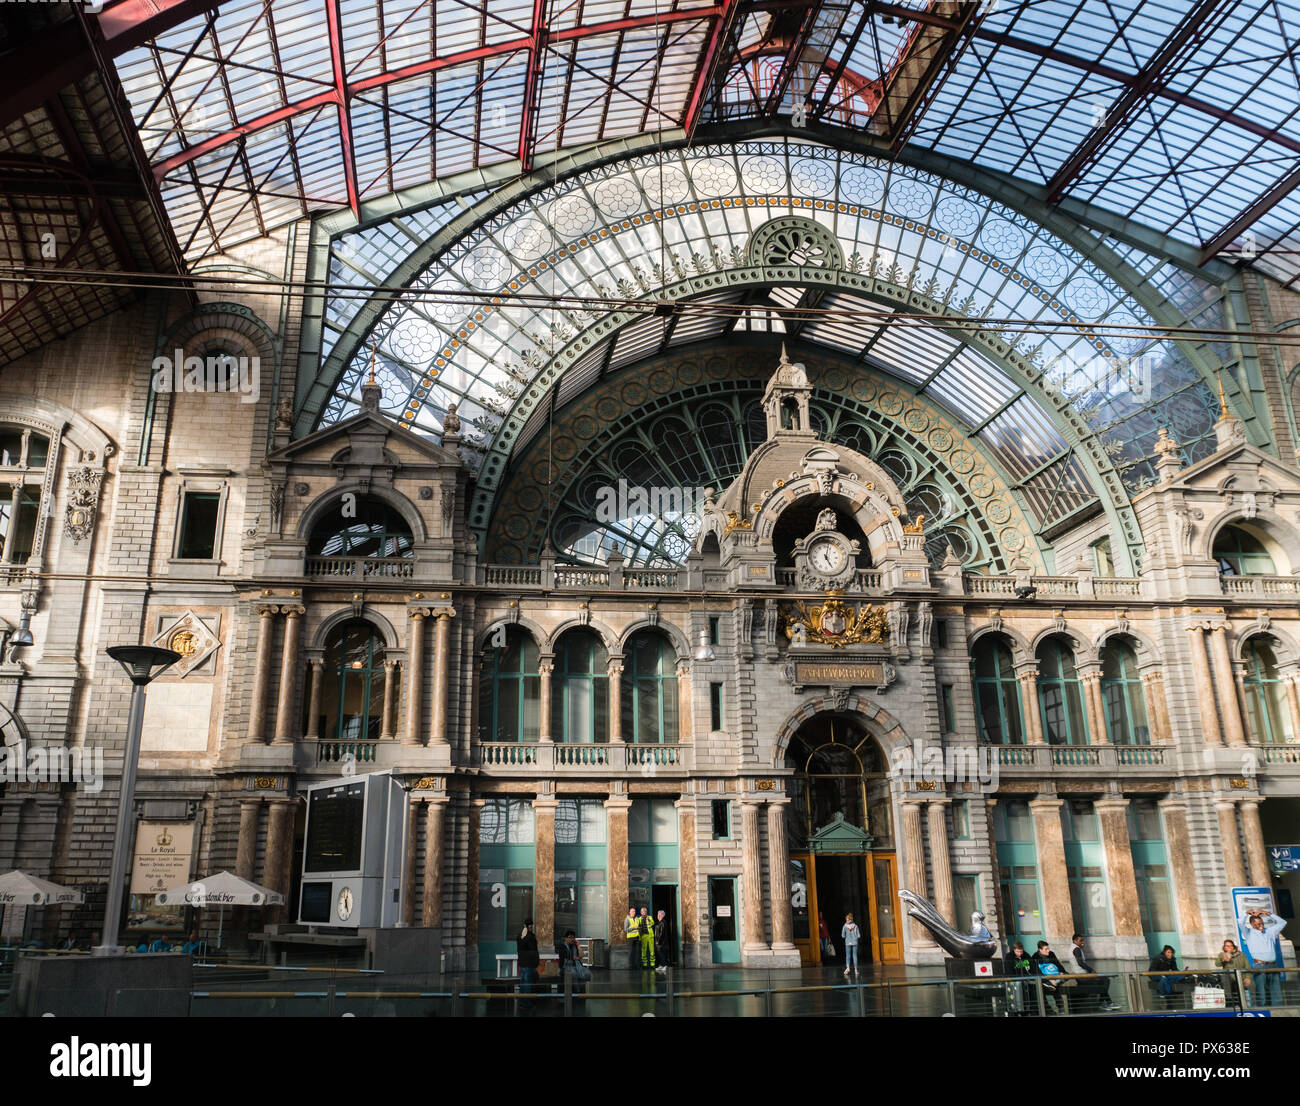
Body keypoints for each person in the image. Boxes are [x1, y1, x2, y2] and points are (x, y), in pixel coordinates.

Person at [1237, 907, 1286, 1007]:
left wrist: (1266, 913)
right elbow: (1240, 923)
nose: (1261, 925)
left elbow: (1282, 923)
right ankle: (1262, 1011)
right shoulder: (1249, 933)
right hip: (1259, 966)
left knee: (1276, 991)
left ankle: (1278, 1011)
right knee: (1261, 992)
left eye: (1262, 923)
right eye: (1258, 923)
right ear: (1252, 924)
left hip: (1273, 965)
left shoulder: (1270, 931)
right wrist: (1246, 913)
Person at [1070, 934, 1119, 1011]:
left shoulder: (1073, 948)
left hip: (1081, 975)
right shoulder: (1076, 949)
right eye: (1081, 941)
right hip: (1081, 976)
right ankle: (1104, 1002)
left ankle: (1104, 1002)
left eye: (1083, 940)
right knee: (1105, 980)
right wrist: (1091, 970)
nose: (1083, 942)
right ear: (1075, 941)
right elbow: (1080, 963)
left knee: (1103, 980)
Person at [1032, 940, 1068, 1013]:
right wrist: (1050, 980)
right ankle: (1054, 1009)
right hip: (1045, 978)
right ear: (1040, 950)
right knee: (1052, 988)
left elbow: (1058, 964)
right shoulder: (1035, 957)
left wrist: (1062, 972)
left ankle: (1053, 984)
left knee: (1066, 976)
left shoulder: (1051, 954)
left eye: (1048, 948)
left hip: (1055, 976)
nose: (1048, 951)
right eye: (1046, 949)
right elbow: (1037, 972)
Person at [1217, 938, 1253, 1006]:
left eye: (1230, 946)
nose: (1229, 947)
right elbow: (1217, 964)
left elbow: (1247, 966)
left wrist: (1248, 977)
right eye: (1227, 946)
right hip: (1229, 981)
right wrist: (1223, 960)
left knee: (1243, 999)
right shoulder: (1222, 955)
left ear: (1234, 946)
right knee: (1231, 999)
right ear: (1224, 947)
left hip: (1241, 980)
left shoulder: (1241, 954)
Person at [516, 917, 540, 1014]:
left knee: (523, 982)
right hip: (529, 964)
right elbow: (533, 951)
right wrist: (536, 962)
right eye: (531, 926)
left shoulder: (520, 936)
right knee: (527, 983)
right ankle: (527, 1003)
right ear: (530, 926)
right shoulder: (530, 937)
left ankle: (522, 1002)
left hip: (522, 963)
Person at [1007, 940, 1036, 1015]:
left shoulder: (1026, 955)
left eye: (1021, 952)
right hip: (1015, 981)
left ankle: (1030, 1010)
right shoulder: (1009, 956)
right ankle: (1018, 1012)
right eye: (1017, 952)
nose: (1020, 954)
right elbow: (1009, 970)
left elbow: (1032, 966)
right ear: (1014, 950)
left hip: (1026, 979)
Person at [841, 913, 861, 977]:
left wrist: (847, 935)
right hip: (855, 942)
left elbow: (843, 936)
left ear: (847, 919)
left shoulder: (844, 926)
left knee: (848, 956)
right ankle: (856, 970)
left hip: (848, 942)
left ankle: (848, 968)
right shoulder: (856, 926)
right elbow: (859, 935)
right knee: (855, 955)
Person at [653, 909, 672, 973]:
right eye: (658, 915)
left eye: (658, 915)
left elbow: (662, 933)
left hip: (661, 942)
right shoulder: (660, 922)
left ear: (661, 916)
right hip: (659, 941)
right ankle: (661, 965)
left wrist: (659, 941)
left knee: (662, 953)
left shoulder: (663, 922)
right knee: (659, 953)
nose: (657, 916)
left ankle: (664, 965)